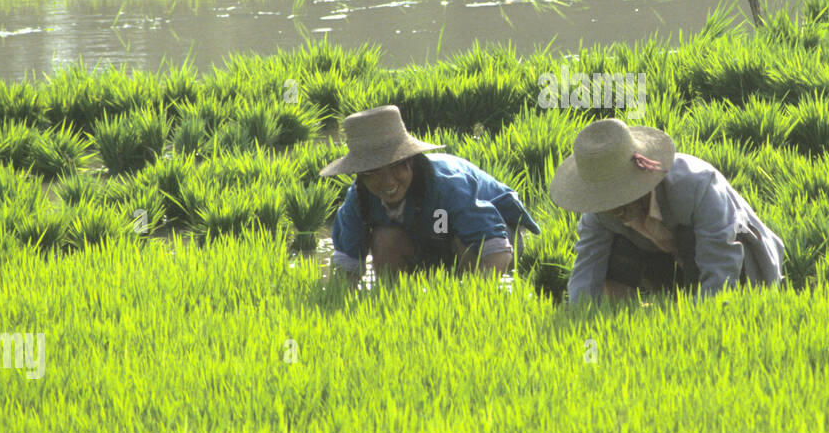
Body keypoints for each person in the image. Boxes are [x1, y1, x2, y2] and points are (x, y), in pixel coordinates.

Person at [550, 117, 785, 307]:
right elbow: (588, 266)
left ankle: (692, 309)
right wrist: (580, 315)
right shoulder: (599, 212)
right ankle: (628, 315)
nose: (612, 207)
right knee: (614, 248)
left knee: (690, 238)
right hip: (668, 265)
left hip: (736, 266)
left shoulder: (697, 185)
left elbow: (721, 258)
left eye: (619, 196)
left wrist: (706, 320)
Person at [323, 106, 540, 285]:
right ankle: (395, 303)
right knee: (385, 238)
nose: (388, 181)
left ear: (412, 160)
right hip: (429, 240)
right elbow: (347, 269)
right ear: (361, 175)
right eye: (373, 172)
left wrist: (472, 301)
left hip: (497, 238)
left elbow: (496, 250)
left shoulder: (447, 185)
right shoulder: (359, 199)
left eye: (397, 166)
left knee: (461, 237)